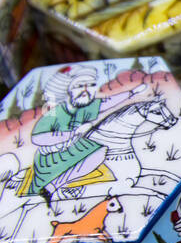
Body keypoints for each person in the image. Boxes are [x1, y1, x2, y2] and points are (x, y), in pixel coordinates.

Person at [29, 65, 148, 203]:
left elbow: (108, 102)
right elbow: (37, 137)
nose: (85, 90)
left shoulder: (88, 105)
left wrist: (132, 92)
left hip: (77, 145)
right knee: (97, 152)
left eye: (91, 85)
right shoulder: (56, 112)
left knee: (100, 145)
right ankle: (52, 187)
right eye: (79, 86)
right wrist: (71, 133)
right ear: (68, 90)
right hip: (52, 155)